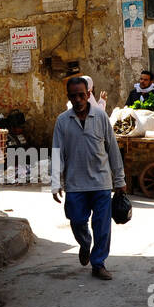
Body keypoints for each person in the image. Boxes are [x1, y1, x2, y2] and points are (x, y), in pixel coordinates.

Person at [51, 76, 126, 281]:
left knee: (102, 225)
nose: (78, 100)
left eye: (81, 95)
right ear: (69, 97)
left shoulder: (101, 117)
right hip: (75, 184)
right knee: (76, 220)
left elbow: (113, 150)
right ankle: (85, 243)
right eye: (73, 96)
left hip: (101, 182)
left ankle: (98, 263)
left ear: (88, 95)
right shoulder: (63, 121)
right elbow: (57, 152)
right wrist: (56, 183)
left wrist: (119, 181)